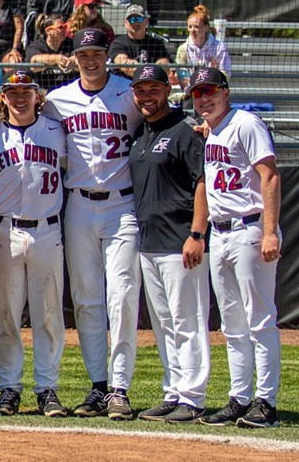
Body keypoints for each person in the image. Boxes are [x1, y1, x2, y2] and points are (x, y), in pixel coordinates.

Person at [41, 28, 141, 421]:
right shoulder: (58, 100)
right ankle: (98, 385)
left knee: (121, 296)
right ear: (76, 57)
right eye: (84, 53)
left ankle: (120, 387)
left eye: (97, 52)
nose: (91, 59)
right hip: (79, 205)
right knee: (86, 300)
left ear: (107, 55)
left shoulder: (129, 93)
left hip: (123, 204)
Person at [190, 67, 282, 429]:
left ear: (226, 92)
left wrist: (270, 232)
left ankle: (266, 401)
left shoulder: (246, 123)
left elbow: (269, 175)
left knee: (260, 320)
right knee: (232, 325)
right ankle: (239, 397)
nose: (204, 98)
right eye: (198, 93)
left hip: (249, 227)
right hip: (221, 231)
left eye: (210, 90)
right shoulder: (212, 129)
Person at [0, 70, 68, 418]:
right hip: (5, 231)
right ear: (3, 97)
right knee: (6, 315)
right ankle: (9, 389)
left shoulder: (57, 132)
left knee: (48, 314)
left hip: (47, 230)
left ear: (36, 95)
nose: (19, 98)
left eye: (25, 91)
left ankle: (47, 388)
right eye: (12, 92)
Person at [126, 65, 210, 424]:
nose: (147, 97)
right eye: (141, 90)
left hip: (181, 241)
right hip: (150, 242)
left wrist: (197, 234)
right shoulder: (140, 132)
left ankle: (193, 397)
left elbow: (202, 181)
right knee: (163, 323)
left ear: (167, 89)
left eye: (154, 89)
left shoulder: (184, 130)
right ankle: (174, 390)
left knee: (186, 320)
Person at [109, 5, 177, 82]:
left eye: (139, 19)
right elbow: (125, 65)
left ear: (146, 21)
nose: (135, 23)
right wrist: (153, 70)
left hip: (151, 84)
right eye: (132, 19)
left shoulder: (156, 43)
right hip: (124, 84)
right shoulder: (118, 43)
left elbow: (164, 64)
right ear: (126, 23)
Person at [175, 5, 231, 90]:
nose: (192, 30)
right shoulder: (183, 49)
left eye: (196, 27)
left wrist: (213, 79)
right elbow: (182, 73)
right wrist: (190, 88)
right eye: (190, 26)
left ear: (206, 28)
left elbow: (225, 73)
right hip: (192, 91)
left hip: (214, 89)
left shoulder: (219, 47)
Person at [25, 13, 76, 90]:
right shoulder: (36, 46)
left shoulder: (70, 43)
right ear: (48, 31)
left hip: (68, 90)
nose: (64, 30)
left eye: (65, 26)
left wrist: (74, 59)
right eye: (60, 27)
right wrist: (56, 59)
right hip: (43, 90)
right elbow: (34, 61)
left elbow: (81, 55)